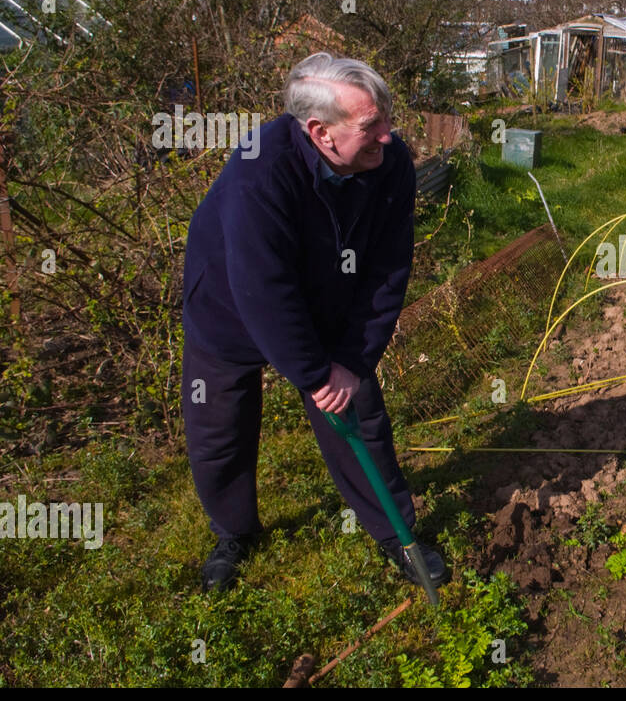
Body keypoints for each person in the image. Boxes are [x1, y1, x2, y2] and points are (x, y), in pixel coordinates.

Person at [180, 52, 448, 593]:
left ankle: (396, 533)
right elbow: (264, 291)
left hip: (329, 297)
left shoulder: (388, 163)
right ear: (320, 132)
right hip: (230, 306)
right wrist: (313, 372)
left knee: (359, 415)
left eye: (387, 120)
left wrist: (349, 362)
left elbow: (388, 268)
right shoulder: (259, 171)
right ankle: (233, 532)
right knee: (219, 427)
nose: (388, 137)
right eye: (371, 126)